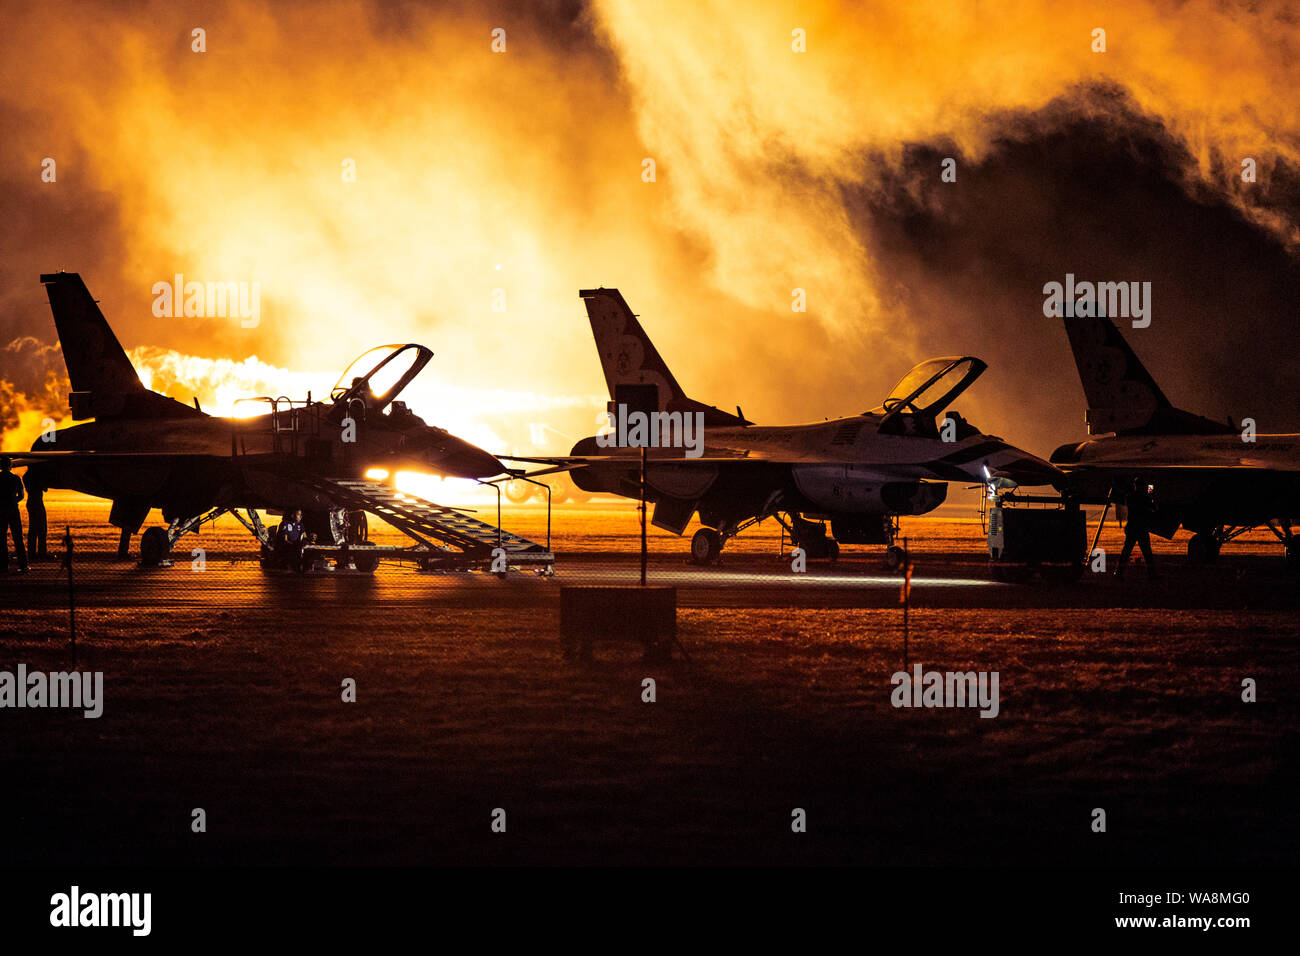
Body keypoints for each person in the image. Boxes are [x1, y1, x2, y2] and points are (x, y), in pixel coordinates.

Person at [1116, 477, 1157, 579]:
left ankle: (1119, 572)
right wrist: (1152, 497)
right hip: (1141, 527)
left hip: (1132, 527)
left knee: (1126, 551)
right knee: (1147, 552)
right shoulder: (1145, 498)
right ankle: (1151, 574)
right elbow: (1154, 508)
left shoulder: (1129, 497)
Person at [0, 457, 28, 574]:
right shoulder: (16, 478)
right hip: (13, 510)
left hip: (0, 510)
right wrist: (13, 501)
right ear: (10, 466)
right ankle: (23, 565)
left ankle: (3, 565)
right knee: (18, 538)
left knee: (1, 539)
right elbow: (21, 495)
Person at [23, 469, 48, 559]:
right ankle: (41, 553)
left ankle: (31, 553)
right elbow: (45, 489)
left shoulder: (26, 476)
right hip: (37, 502)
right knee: (42, 528)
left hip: (31, 502)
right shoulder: (37, 476)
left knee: (33, 528)